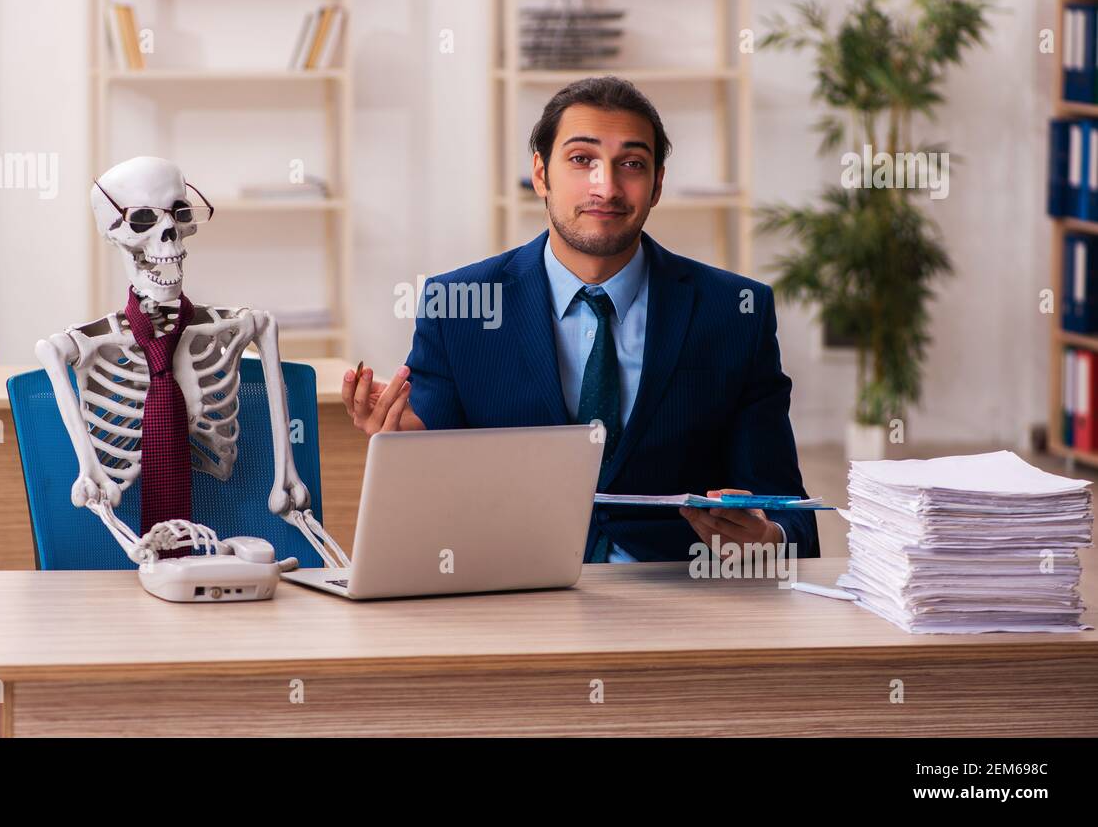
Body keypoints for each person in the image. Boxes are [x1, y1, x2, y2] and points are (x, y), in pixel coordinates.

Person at [340, 75, 818, 563]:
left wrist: (766, 539)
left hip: (676, 592)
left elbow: (793, 514)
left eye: (631, 164)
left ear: (657, 185)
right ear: (541, 175)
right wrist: (405, 451)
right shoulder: (458, 305)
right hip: (515, 585)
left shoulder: (735, 312)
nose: (605, 187)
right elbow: (434, 504)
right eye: (581, 159)